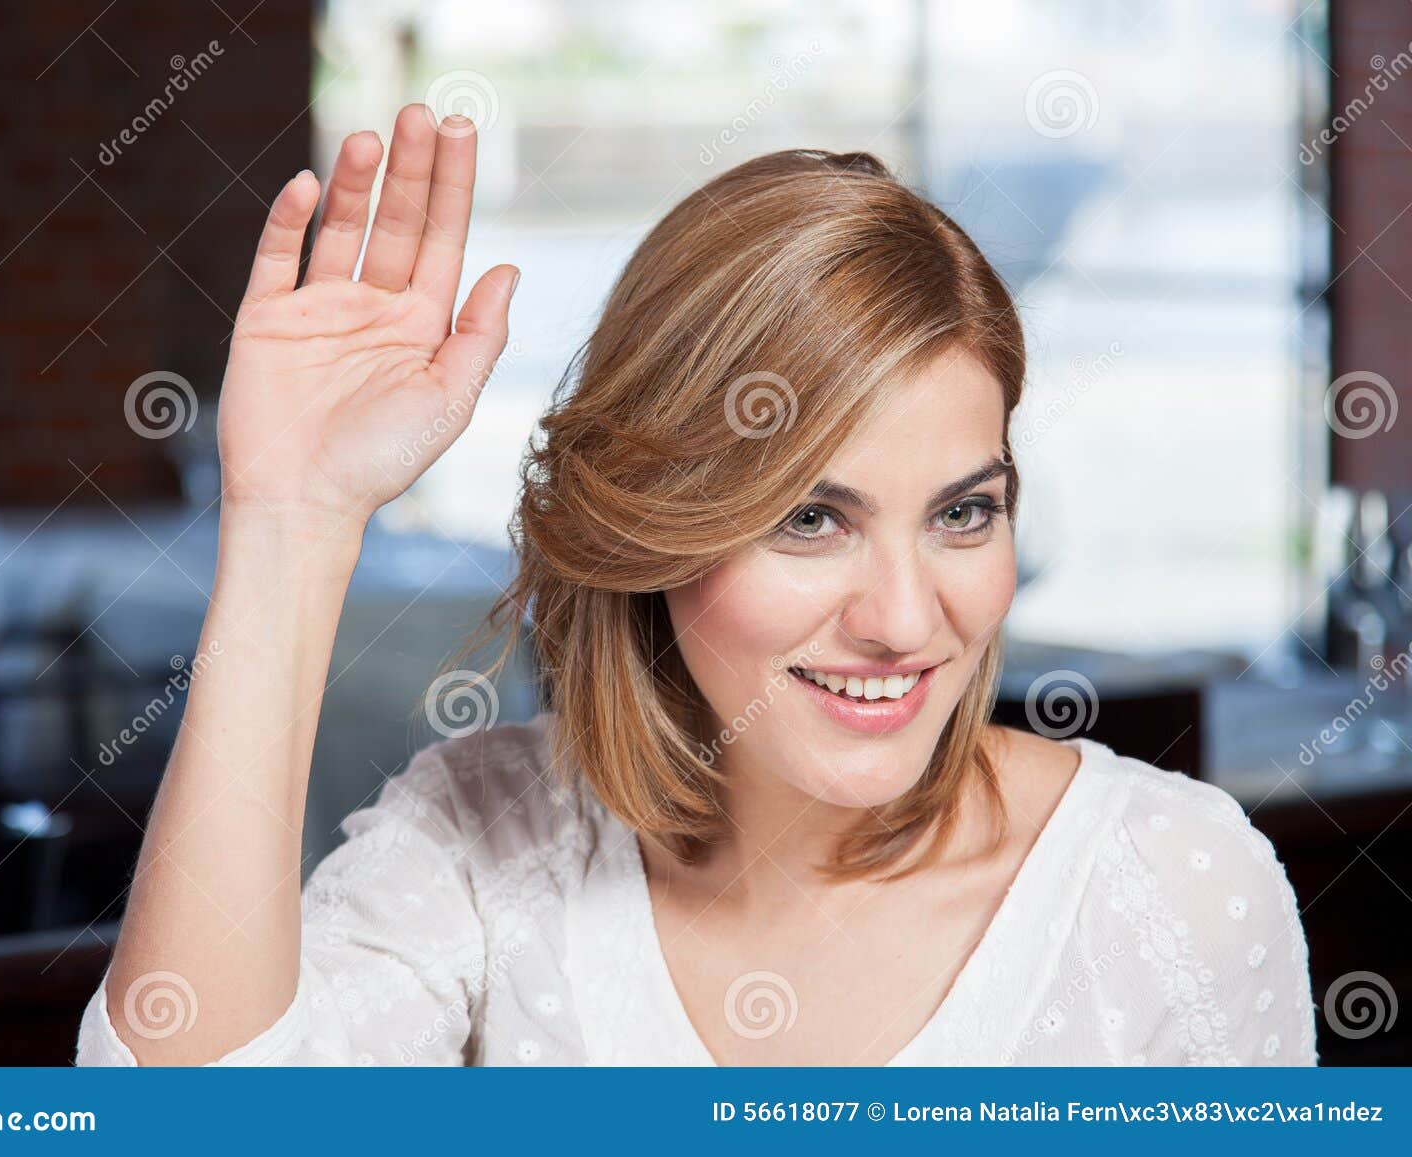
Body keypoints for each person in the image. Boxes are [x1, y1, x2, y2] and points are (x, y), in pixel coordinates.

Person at [75, 102, 1316, 1067]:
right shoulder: (482, 846)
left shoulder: (1172, 886)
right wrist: (289, 524)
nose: (901, 619)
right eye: (810, 518)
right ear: (657, 525)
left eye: (961, 513)